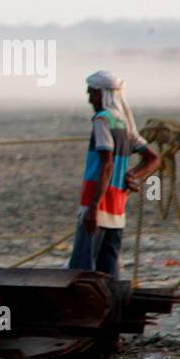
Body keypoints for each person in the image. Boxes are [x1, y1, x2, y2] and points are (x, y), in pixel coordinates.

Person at [67, 71, 160, 278]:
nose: (89, 98)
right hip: (117, 206)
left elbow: (106, 164)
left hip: (97, 200)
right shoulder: (125, 124)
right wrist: (133, 176)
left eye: (92, 93)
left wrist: (92, 207)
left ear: (103, 94)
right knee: (108, 267)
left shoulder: (103, 120)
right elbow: (153, 158)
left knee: (82, 268)